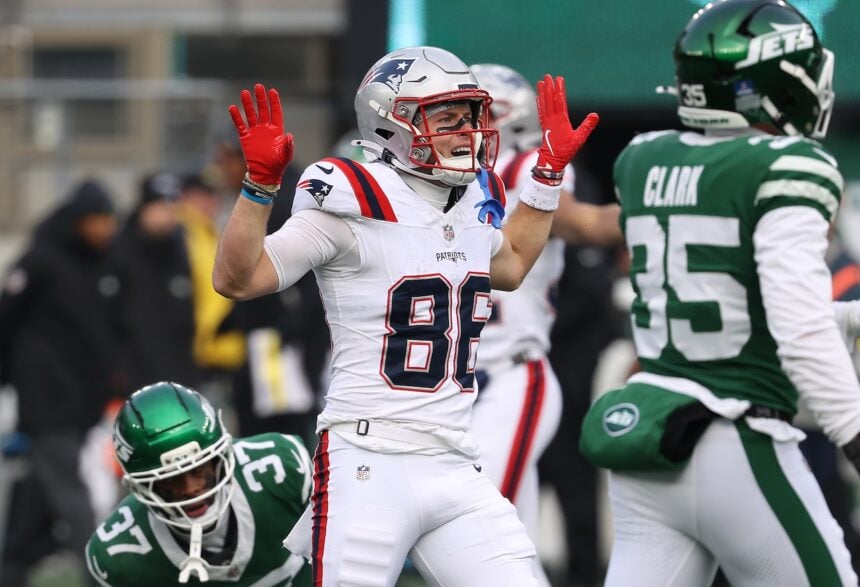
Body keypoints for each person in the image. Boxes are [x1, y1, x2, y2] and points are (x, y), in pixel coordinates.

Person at [212, 45, 598, 586]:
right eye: (446, 117)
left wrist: (547, 175)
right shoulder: (350, 197)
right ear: (392, 122)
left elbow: (511, 266)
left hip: (456, 460)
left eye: (469, 116)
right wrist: (258, 189)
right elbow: (237, 279)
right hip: (369, 458)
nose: (466, 131)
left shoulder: (466, 200)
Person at [578, 1, 860, 585]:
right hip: (738, 436)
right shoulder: (789, 163)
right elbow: (797, 326)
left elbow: (731, 305)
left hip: (650, 441)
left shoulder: (645, 158)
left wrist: (847, 317)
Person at [467, 62, 621, 586]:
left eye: (461, 116)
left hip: (509, 371)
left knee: (480, 529)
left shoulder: (530, 166)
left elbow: (588, 222)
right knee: (511, 547)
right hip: (451, 382)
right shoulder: (432, 181)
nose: (450, 127)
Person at [0, 178, 119, 585]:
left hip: (80, 403)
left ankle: (13, 567)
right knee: (72, 495)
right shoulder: (42, 260)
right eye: (98, 220)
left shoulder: (97, 264)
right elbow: (6, 319)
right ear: (79, 220)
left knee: (39, 492)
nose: (105, 228)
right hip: (48, 403)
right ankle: (100, 573)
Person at [85, 381, 312, 586]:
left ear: (221, 455)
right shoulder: (119, 553)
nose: (191, 488)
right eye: (171, 481)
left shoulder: (281, 467)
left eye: (199, 469)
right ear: (141, 486)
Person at [107, 172, 202, 393]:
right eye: (160, 207)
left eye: (172, 208)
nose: (167, 215)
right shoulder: (120, 252)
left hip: (178, 376)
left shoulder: (181, 250)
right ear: (144, 208)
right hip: (132, 379)